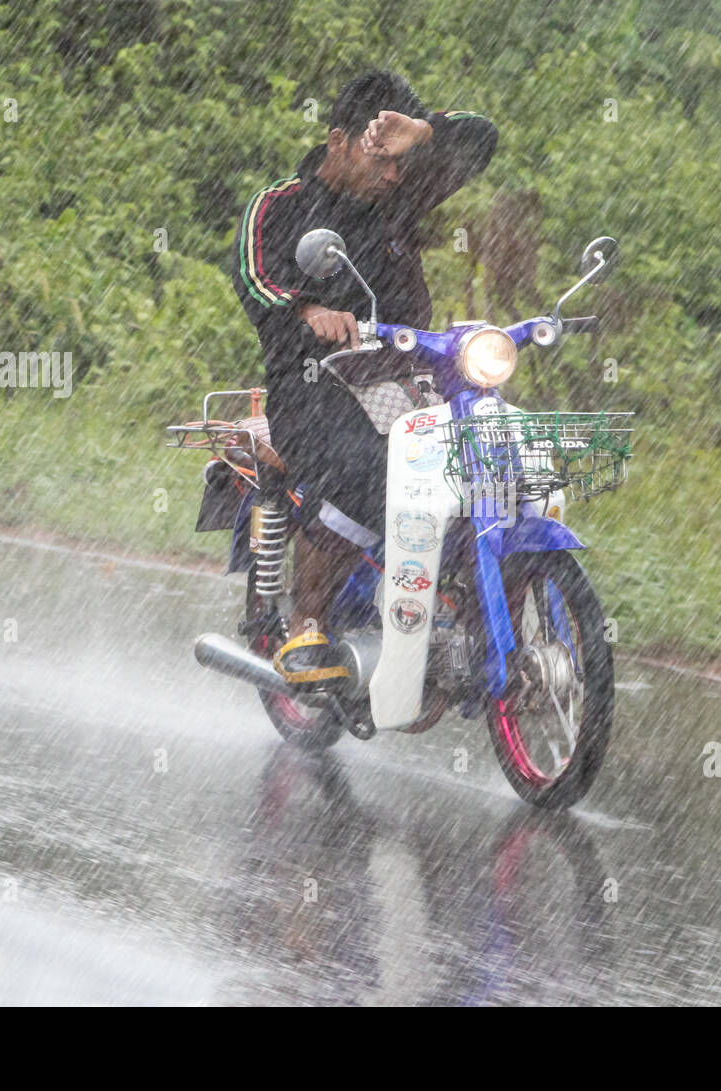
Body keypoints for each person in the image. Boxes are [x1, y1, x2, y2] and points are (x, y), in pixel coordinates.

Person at [231, 71, 497, 687]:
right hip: (312, 385)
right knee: (366, 467)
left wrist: (422, 133)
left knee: (486, 454)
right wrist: (305, 310)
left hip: (402, 374)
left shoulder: (400, 190)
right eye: (379, 154)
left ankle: (449, 601)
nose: (393, 173)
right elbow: (252, 275)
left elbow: (483, 141)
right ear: (337, 141)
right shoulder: (281, 204)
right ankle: (306, 627)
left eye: (401, 160)